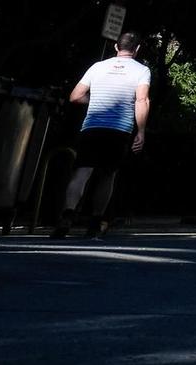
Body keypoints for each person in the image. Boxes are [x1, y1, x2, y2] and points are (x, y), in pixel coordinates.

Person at [54, 31, 151, 239]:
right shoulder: (142, 71)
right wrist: (141, 131)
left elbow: (75, 96)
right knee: (108, 175)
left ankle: (67, 215)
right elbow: (141, 100)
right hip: (119, 130)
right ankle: (95, 221)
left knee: (81, 172)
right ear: (137, 49)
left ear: (116, 47)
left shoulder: (97, 67)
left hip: (92, 127)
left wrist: (96, 100)